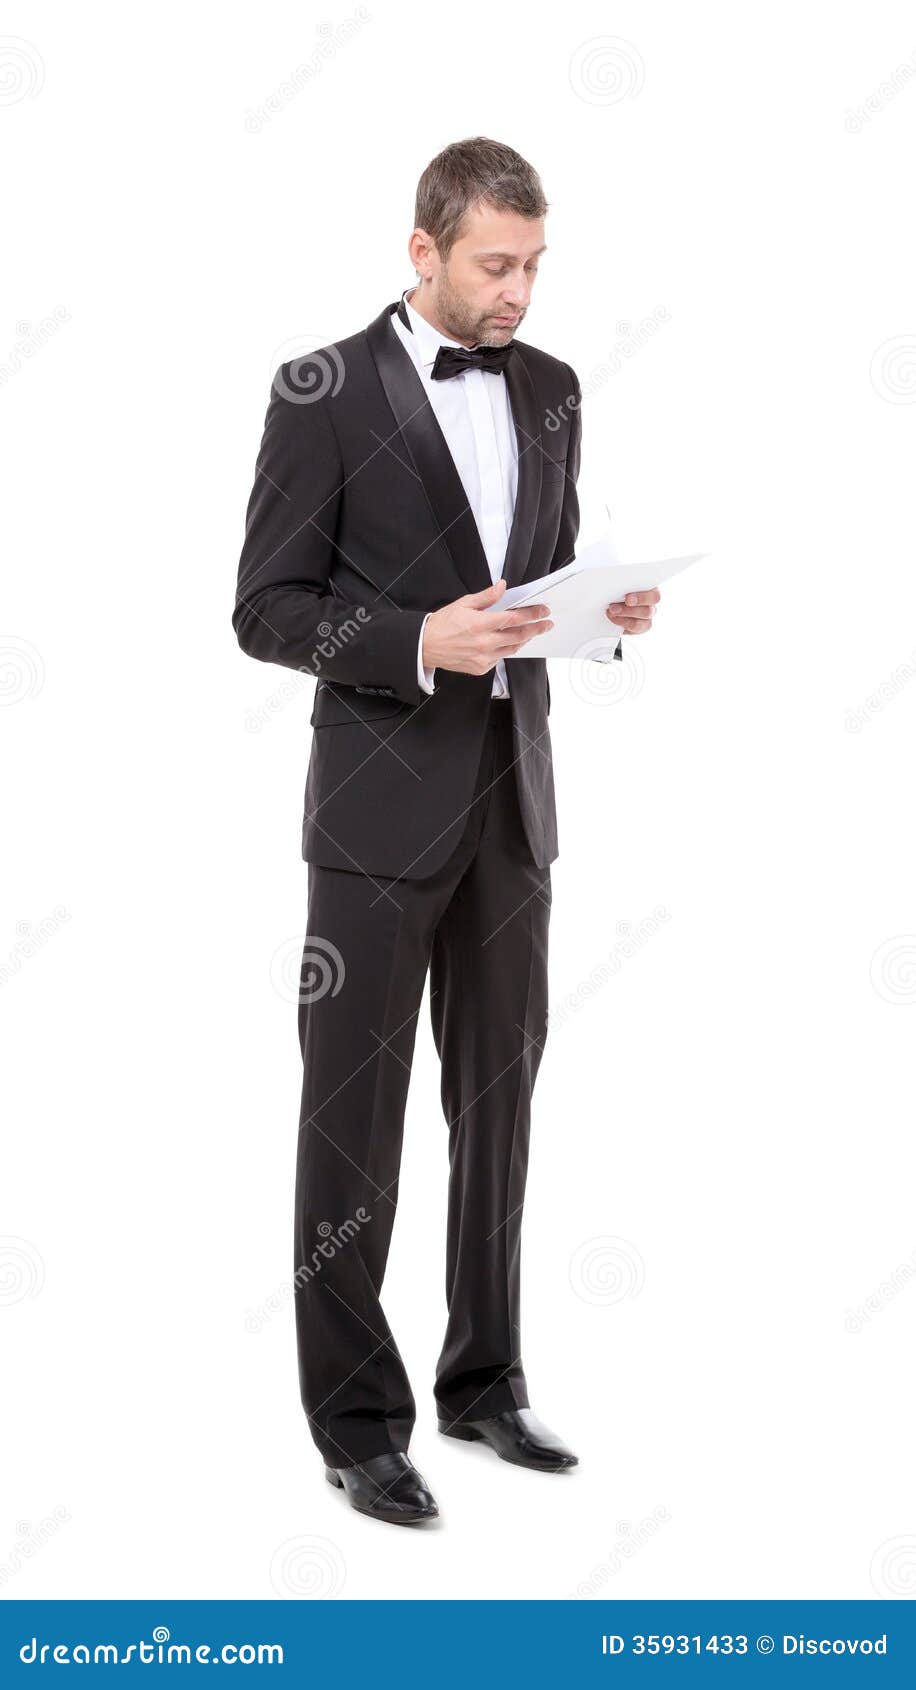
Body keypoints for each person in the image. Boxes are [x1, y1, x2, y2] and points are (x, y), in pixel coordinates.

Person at [232, 136, 659, 1526]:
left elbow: (535, 577)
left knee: (497, 1108)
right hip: (371, 820)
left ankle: (486, 1380)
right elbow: (266, 607)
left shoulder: (551, 390)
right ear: (422, 253)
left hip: (512, 811)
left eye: (534, 266)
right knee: (348, 1130)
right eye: (495, 265)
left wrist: (597, 617)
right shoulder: (323, 390)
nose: (518, 293)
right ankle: (358, 1420)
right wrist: (416, 637)